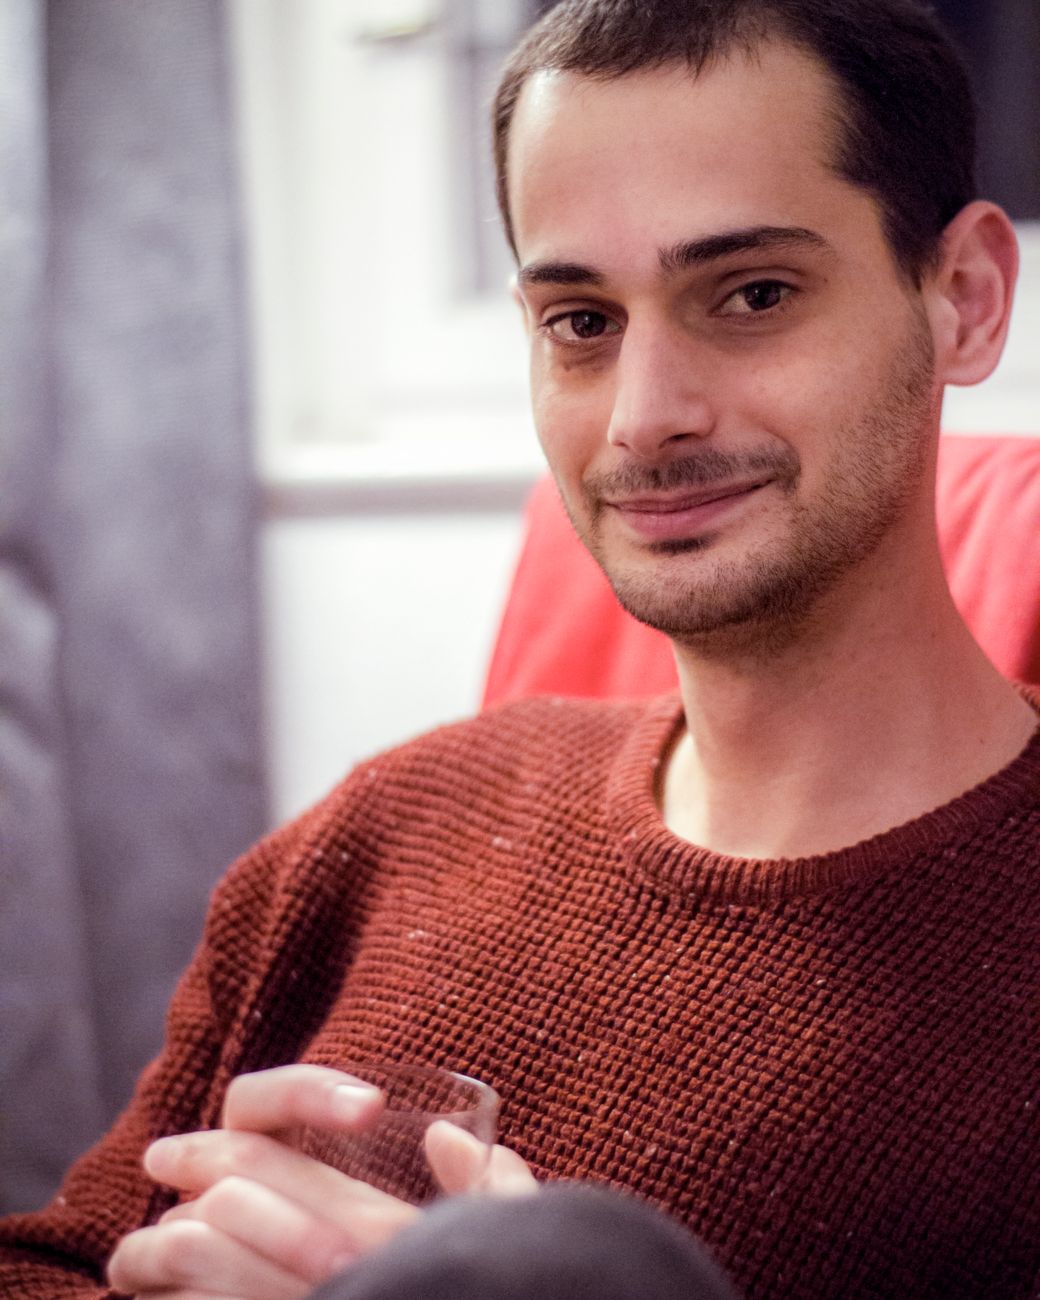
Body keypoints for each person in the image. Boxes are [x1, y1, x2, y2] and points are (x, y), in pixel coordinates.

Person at [2, 0, 1038, 1296]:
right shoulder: (386, 834)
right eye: (581, 322)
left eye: (753, 293)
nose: (646, 418)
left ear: (966, 300)